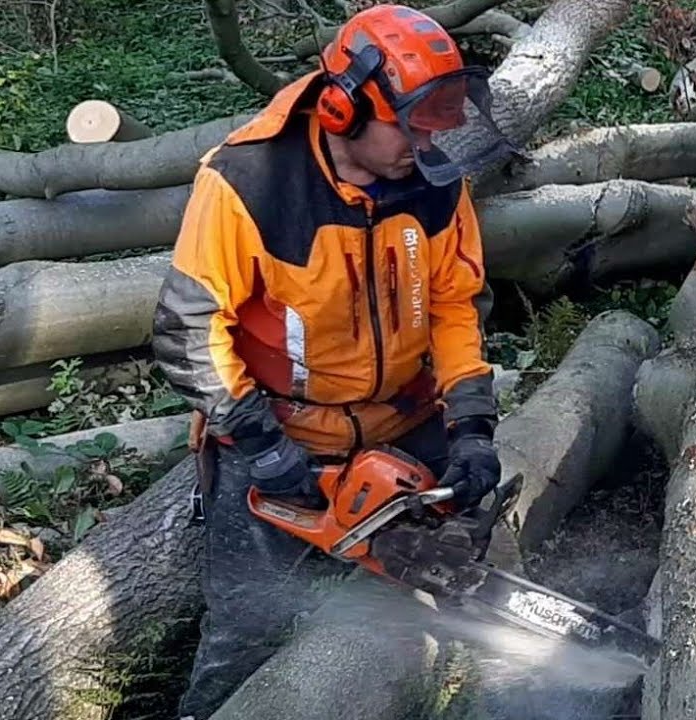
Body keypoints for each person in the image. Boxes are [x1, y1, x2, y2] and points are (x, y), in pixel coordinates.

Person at [150, 5, 518, 718]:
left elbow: (454, 303)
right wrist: (260, 442)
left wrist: (472, 423)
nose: (428, 142)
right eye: (410, 126)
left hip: (405, 415)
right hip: (278, 429)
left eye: (437, 124)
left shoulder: (434, 176)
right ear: (345, 109)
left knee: (476, 574)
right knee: (243, 627)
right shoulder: (249, 182)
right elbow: (189, 328)